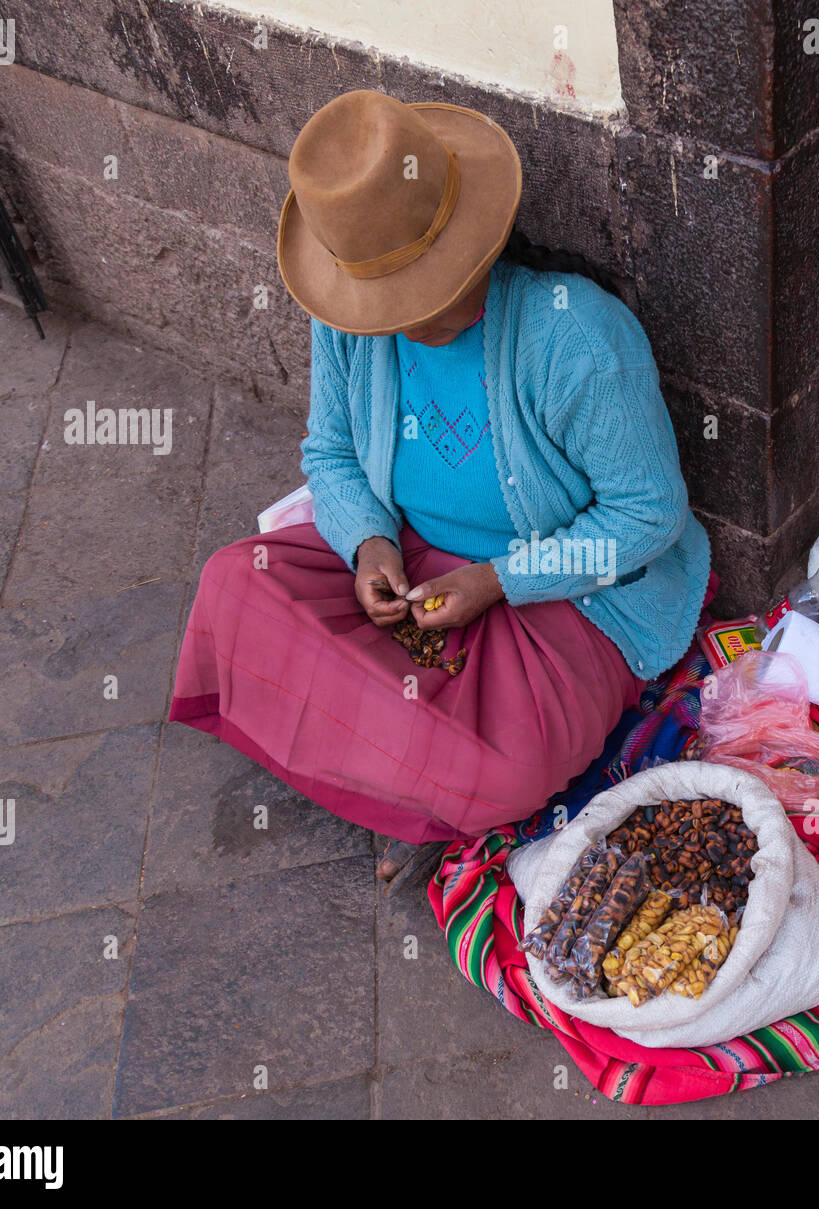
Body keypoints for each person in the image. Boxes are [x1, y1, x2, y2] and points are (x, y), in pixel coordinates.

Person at [169, 90, 711, 886]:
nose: (395, 319)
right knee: (232, 587)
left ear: (474, 242)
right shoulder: (347, 319)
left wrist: (498, 580)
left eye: (419, 292)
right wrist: (368, 544)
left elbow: (649, 516)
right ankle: (417, 773)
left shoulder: (577, 339)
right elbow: (329, 452)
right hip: (412, 550)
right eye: (383, 302)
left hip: (562, 586)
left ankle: (414, 771)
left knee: (510, 765)